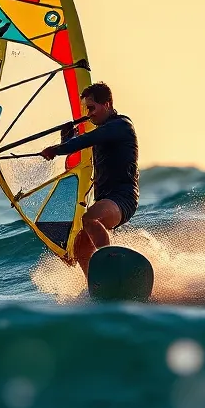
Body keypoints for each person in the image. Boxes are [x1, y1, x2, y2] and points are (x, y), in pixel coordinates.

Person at [40, 82, 139, 276]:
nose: (89, 113)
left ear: (107, 104)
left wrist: (58, 149)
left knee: (90, 219)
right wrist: (67, 139)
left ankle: (111, 268)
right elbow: (79, 147)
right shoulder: (104, 130)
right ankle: (96, 285)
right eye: (86, 109)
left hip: (122, 198)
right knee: (81, 246)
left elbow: (86, 139)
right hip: (105, 199)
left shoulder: (121, 125)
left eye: (92, 108)